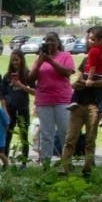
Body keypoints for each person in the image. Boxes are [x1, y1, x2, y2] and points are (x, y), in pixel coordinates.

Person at [61, 26, 102, 177]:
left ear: (101, 40)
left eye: (91, 38)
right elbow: (77, 78)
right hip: (78, 104)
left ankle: (87, 169)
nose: (88, 41)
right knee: (70, 138)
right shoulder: (87, 58)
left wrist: (90, 83)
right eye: (88, 38)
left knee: (90, 139)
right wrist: (76, 83)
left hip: (94, 104)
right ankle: (64, 168)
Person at [28, 32, 75, 165]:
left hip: (62, 99)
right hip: (44, 100)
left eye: (52, 41)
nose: (50, 44)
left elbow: (66, 73)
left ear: (58, 43)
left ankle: (66, 162)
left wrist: (51, 61)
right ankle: (46, 163)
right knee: (46, 134)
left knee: (64, 131)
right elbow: (30, 79)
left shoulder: (65, 56)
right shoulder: (40, 59)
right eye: (47, 41)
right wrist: (39, 63)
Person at [3, 50, 33, 164]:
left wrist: (21, 85)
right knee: (8, 136)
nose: (15, 62)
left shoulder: (27, 74)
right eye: (13, 60)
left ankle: (24, 162)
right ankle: (5, 162)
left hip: (23, 108)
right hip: (10, 110)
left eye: (17, 60)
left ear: (22, 60)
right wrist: (5, 110)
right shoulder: (7, 76)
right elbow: (3, 95)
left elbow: (34, 92)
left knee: (24, 136)